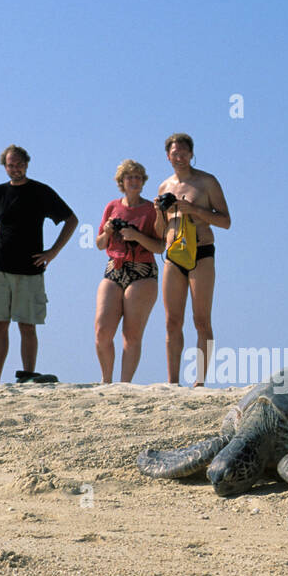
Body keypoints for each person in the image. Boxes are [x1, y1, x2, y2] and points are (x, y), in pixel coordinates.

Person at [0, 145, 78, 384]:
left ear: (27, 164)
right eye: (10, 165)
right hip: (0, 268)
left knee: (27, 326)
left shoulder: (40, 191)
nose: (15, 168)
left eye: (19, 163)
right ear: (5, 166)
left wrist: (53, 252)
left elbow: (71, 219)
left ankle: (29, 374)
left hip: (30, 270)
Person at [154, 133, 230, 386]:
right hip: (173, 255)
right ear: (168, 156)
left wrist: (195, 210)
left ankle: (200, 381)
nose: (179, 157)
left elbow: (226, 221)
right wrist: (158, 212)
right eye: (175, 153)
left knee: (201, 319)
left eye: (184, 152)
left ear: (191, 154)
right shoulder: (164, 187)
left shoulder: (206, 182)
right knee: (172, 321)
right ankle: (172, 381)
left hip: (201, 252)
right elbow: (158, 231)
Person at [94, 160, 165, 382]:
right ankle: (106, 381)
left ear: (143, 182)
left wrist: (137, 236)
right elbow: (99, 244)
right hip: (113, 269)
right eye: (129, 177)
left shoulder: (151, 210)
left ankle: (124, 384)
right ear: (121, 181)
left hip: (142, 271)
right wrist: (107, 232)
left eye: (138, 177)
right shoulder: (112, 207)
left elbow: (160, 246)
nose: (134, 181)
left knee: (131, 335)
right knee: (102, 332)